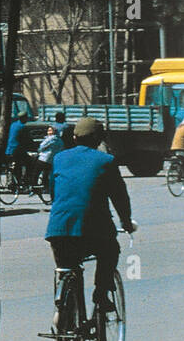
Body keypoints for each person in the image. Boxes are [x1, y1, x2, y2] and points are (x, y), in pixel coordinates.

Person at [46, 118, 135, 318]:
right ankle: (101, 294)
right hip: (93, 232)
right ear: (98, 139)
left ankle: (64, 306)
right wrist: (126, 222)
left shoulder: (59, 158)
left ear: (75, 138)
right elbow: (120, 197)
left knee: (67, 267)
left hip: (58, 230)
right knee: (111, 250)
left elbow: (53, 192)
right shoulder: (106, 161)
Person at [36, 126, 63, 198]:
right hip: (51, 160)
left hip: (44, 158)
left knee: (35, 172)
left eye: (50, 130)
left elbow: (41, 146)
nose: (48, 132)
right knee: (46, 173)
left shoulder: (50, 138)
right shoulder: (60, 140)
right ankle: (46, 186)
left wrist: (39, 150)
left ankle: (34, 185)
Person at [5, 110, 31, 186]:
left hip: (9, 150)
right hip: (16, 150)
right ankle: (25, 180)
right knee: (30, 162)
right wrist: (35, 147)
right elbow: (28, 140)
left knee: (16, 165)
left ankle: (14, 181)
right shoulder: (22, 127)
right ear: (24, 118)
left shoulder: (13, 125)